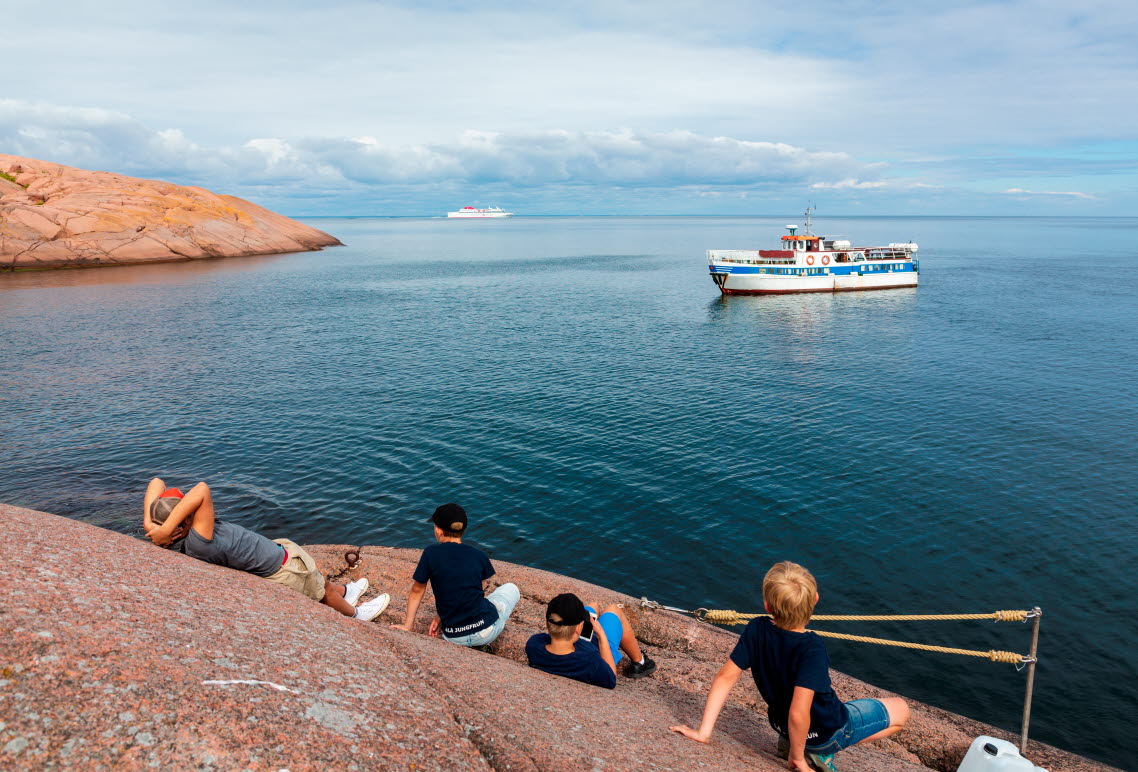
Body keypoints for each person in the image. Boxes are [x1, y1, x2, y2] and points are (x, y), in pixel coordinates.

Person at [670, 561, 909, 772]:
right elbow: (799, 711)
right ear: (815, 600)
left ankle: (796, 744)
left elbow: (724, 678)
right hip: (825, 733)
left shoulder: (757, 629)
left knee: (827, 709)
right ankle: (821, 751)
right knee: (901, 711)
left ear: (767, 605)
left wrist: (704, 732)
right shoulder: (811, 647)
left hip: (782, 725)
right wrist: (797, 759)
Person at [143, 478, 390, 622]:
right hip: (281, 569)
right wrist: (169, 526)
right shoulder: (198, 538)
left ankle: (346, 591)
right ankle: (355, 614)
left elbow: (156, 481)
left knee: (321, 582)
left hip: (276, 554)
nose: (189, 505)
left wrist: (153, 526)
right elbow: (202, 489)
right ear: (182, 522)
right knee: (321, 592)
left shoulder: (185, 533)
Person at [389, 502, 519, 647]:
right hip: (487, 631)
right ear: (463, 530)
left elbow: (417, 590)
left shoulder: (430, 554)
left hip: (453, 636)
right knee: (511, 588)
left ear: (438, 530)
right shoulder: (478, 555)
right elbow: (479, 588)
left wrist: (409, 625)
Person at [525, 592, 656, 689]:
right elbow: (611, 679)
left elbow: (547, 637)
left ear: (548, 623)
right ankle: (640, 662)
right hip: (598, 647)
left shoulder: (534, 645)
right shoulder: (590, 661)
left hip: (568, 636)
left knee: (593, 606)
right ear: (579, 627)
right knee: (613, 609)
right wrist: (602, 637)